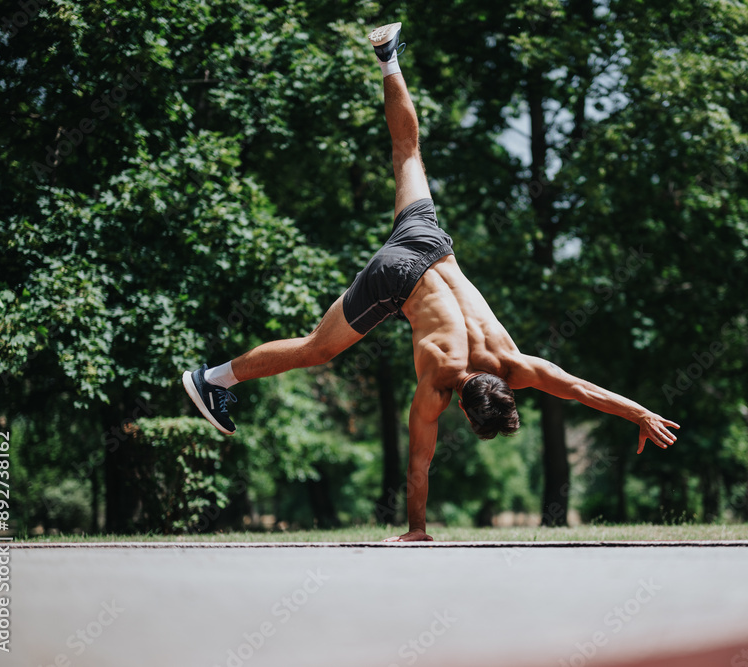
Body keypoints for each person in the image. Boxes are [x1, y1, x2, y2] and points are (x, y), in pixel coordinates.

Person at [182, 23, 680, 542]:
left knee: (408, 151)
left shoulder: (517, 365)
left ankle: (387, 56)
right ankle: (214, 379)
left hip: (430, 243)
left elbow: (580, 389)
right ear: (464, 405)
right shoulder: (439, 385)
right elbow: (419, 463)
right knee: (316, 349)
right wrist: (415, 529)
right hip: (397, 277)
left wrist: (641, 414)